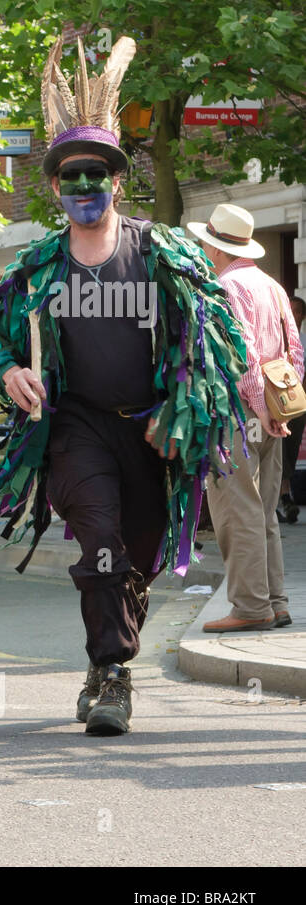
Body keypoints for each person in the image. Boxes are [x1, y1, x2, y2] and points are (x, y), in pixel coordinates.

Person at [0, 36, 249, 735]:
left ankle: (110, 650)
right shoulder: (38, 267)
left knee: (141, 554)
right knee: (99, 537)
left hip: (152, 428)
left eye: (97, 176)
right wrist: (7, 367)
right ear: (56, 187)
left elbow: (210, 338)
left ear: (118, 182)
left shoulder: (161, 253)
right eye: (72, 177)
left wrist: (181, 410)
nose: (85, 188)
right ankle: (113, 672)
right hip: (76, 426)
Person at [190, 205, 303, 631]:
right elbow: (294, 353)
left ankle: (250, 608)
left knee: (237, 511)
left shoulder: (227, 286)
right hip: (275, 412)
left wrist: (257, 407)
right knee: (265, 511)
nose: (202, 247)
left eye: (206, 241)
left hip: (238, 415)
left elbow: (244, 357)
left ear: (217, 248)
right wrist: (277, 410)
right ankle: (275, 602)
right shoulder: (272, 286)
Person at [278, 294, 306, 521]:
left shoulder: (303, 341)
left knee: (290, 450)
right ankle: (285, 497)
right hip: (276, 405)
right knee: (279, 451)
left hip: (298, 406)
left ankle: (283, 497)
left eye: (297, 312)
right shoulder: (277, 337)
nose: (293, 315)